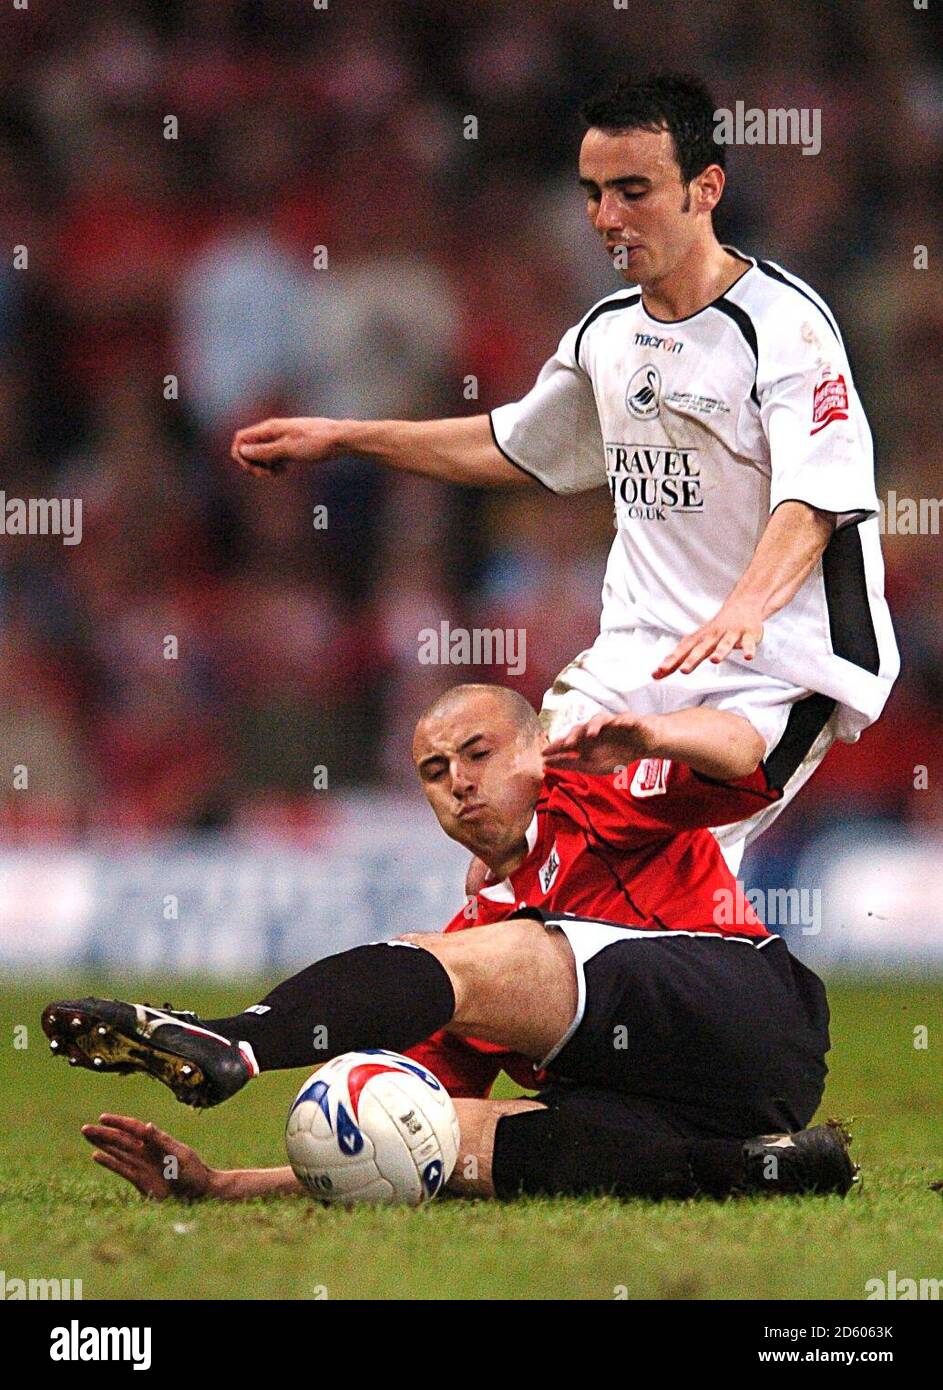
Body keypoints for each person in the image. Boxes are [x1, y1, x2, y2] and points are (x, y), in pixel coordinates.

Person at [229, 71, 898, 872]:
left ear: (705, 189)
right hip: (636, 656)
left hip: (778, 666)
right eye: (592, 194)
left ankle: (737, 992)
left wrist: (744, 609)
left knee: (660, 870)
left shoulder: (784, 327)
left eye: (632, 190)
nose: (607, 219)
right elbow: (510, 445)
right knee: (509, 841)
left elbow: (815, 500)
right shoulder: (604, 336)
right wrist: (346, 436)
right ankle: (421, 995)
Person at [44, 685, 855, 1201]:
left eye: (478, 754)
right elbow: (398, 1142)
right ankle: (761, 1168)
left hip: (752, 1017)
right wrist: (222, 1186)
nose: (460, 782)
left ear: (537, 752)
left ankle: (234, 1040)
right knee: (451, 1133)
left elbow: (748, 759)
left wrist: (657, 735)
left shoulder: (595, 796)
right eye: (436, 770)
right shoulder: (472, 943)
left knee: (468, 956)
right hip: (698, 1112)